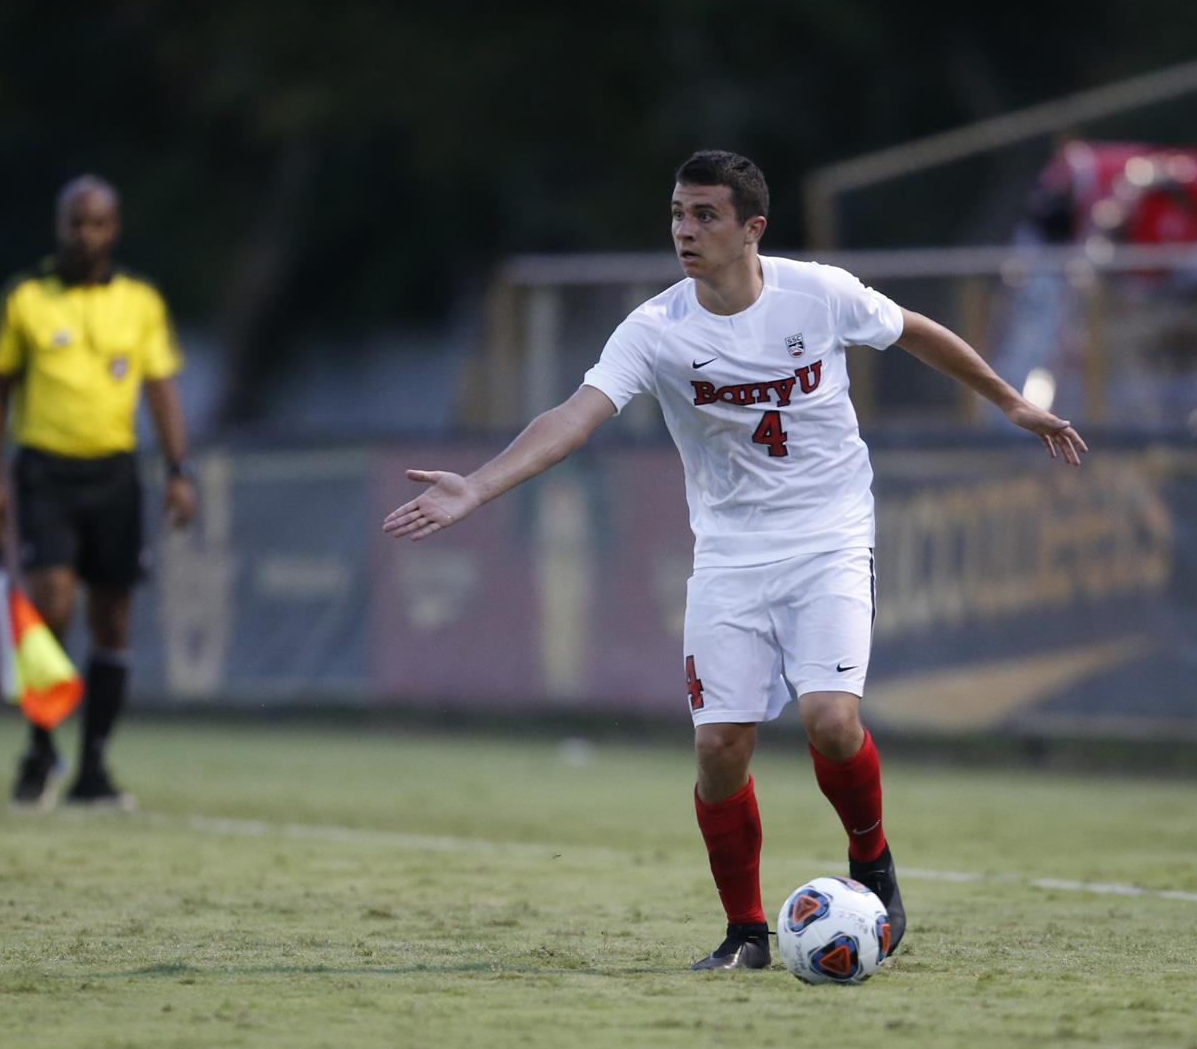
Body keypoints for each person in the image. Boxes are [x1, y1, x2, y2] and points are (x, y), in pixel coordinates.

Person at [382, 150, 1085, 970]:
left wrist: (1008, 400)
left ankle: (872, 863)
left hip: (829, 535)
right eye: (679, 213)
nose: (686, 230)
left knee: (831, 719)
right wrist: (478, 485)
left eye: (705, 215)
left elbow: (913, 332)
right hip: (729, 553)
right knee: (719, 747)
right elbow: (575, 415)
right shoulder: (657, 329)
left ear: (753, 228)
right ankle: (746, 934)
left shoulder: (816, 294)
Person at [0, 175, 196, 809]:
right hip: (45, 471)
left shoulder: (140, 302)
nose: (86, 234)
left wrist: (179, 470)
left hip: (115, 474)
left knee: (113, 619)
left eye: (97, 223)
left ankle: (93, 767)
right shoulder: (25, 298)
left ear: (114, 229)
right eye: (76, 223)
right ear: (59, 227)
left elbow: (161, 389)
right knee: (53, 603)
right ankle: (42, 745)